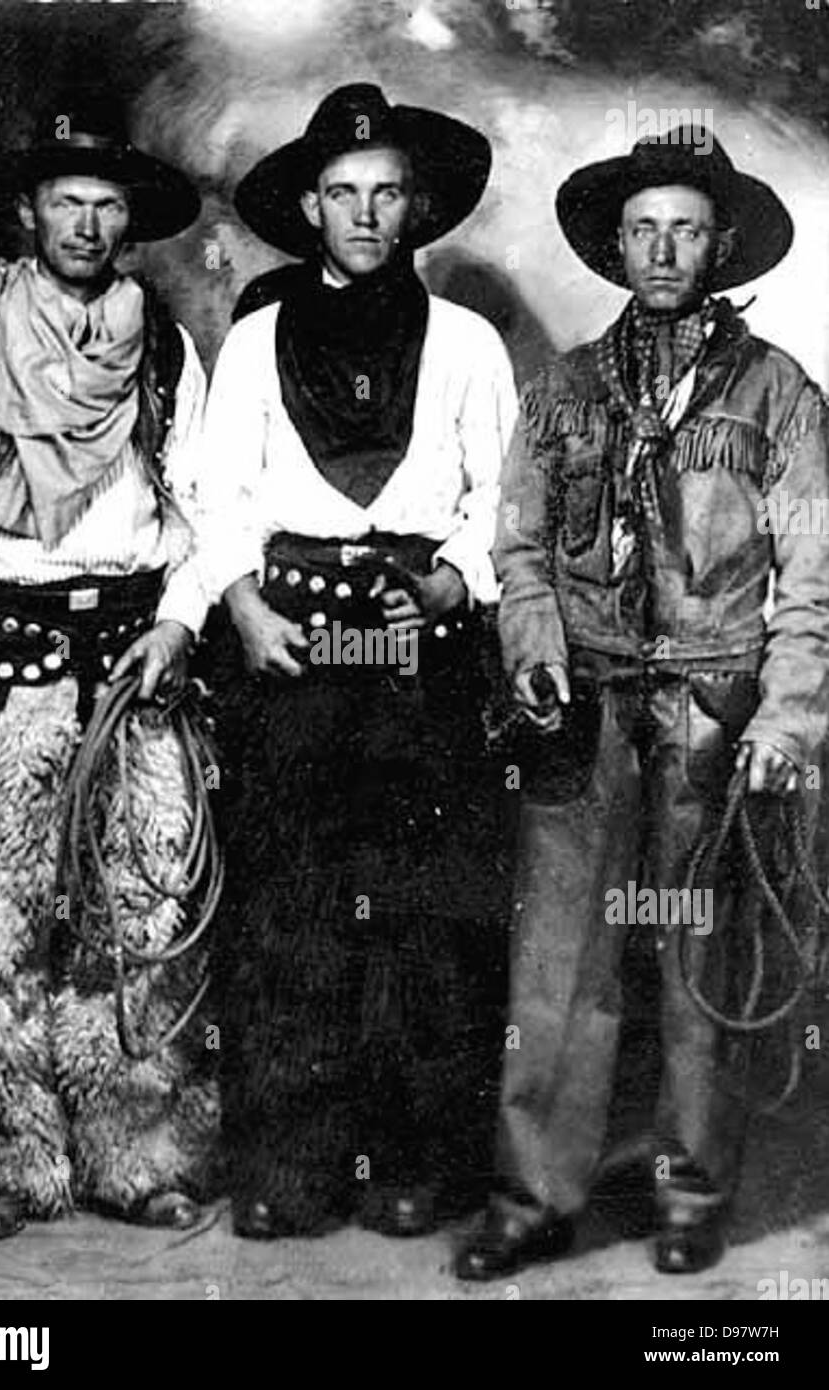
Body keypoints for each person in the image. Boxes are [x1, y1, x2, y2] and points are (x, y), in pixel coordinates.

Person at [457, 127, 829, 1280]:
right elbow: (515, 548)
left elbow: (814, 576)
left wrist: (784, 719)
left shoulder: (777, 394)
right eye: (643, 229)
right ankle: (534, 1194)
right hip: (585, 706)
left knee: (695, 963)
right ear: (613, 248)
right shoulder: (564, 387)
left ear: (720, 244)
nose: (664, 248)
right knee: (555, 961)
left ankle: (688, 1190)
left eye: (686, 228)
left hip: (712, 714)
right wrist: (530, 644)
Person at [201, 83, 518, 1239]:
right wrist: (240, 604)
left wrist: (452, 578)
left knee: (422, 918)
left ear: (418, 208)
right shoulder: (249, 345)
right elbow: (216, 500)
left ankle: (413, 1164)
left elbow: (501, 505)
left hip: (415, 657)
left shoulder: (470, 345)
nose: (366, 214)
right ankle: (290, 1166)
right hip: (289, 652)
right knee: (291, 909)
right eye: (343, 193)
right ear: (310, 206)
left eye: (387, 194)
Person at [0, 108, 221, 1238]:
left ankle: (142, 1150)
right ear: (27, 213)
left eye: (108, 204)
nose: (87, 223)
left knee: (139, 912)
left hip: (135, 667)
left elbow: (207, 513)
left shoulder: (168, 347)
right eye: (65, 202)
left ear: (131, 220)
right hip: (0, 664)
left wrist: (180, 624)